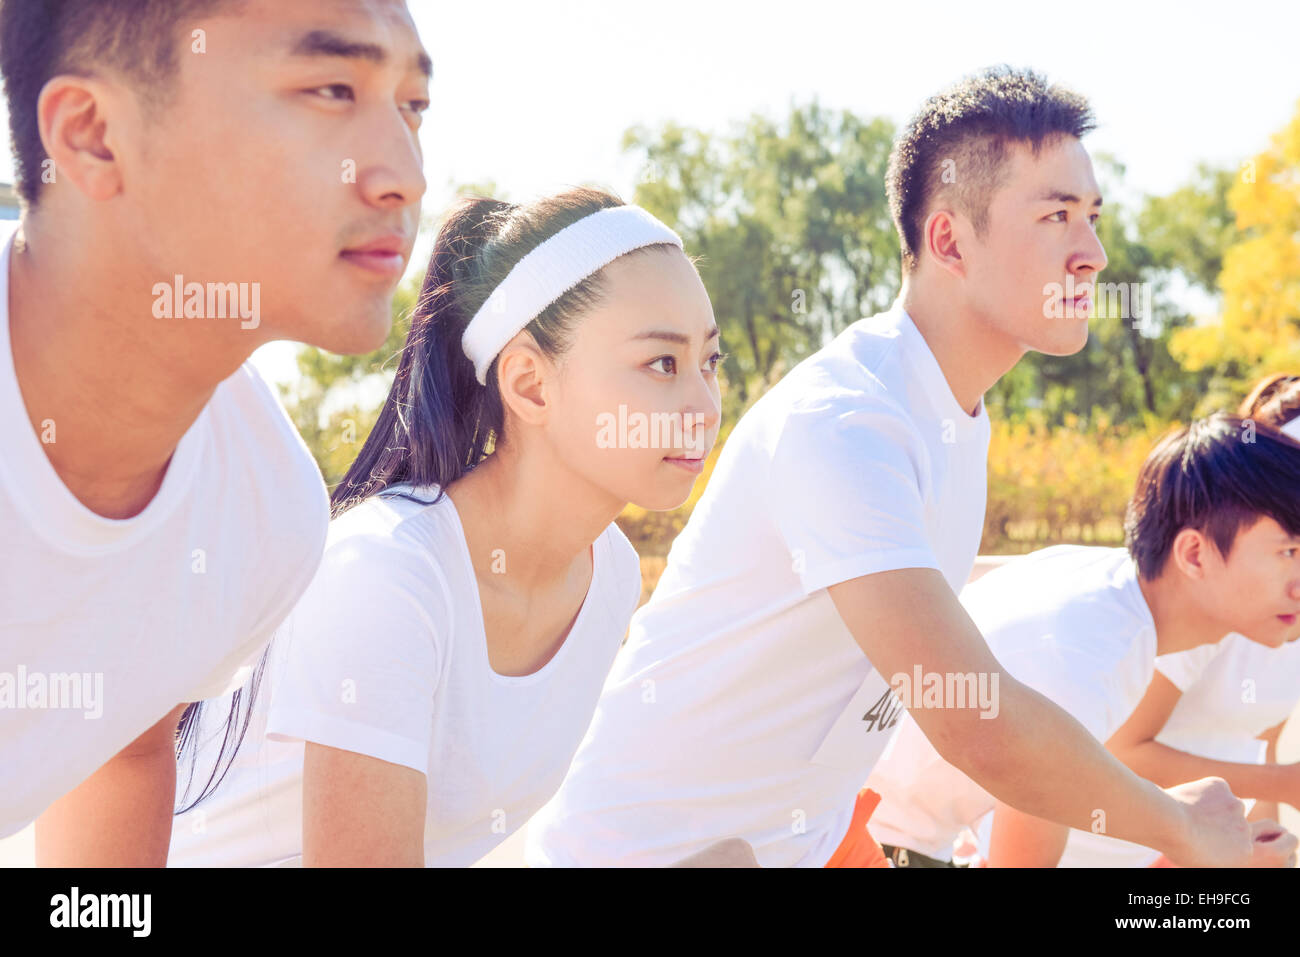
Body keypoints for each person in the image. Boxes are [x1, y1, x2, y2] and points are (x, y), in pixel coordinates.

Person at [526, 66, 1254, 869]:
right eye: (1055, 215)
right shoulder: (847, 423)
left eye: (1092, 215)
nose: (1092, 254)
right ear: (948, 240)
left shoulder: (950, 418)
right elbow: (976, 721)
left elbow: (852, 691)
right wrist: (1181, 828)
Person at [168, 188, 725, 867]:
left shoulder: (606, 573)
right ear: (530, 385)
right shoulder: (387, 575)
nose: (702, 403)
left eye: (711, 362)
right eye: (662, 363)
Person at [0, 0, 428, 865]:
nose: (404, 175)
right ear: (91, 135)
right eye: (332, 88)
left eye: (413, 106)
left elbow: (119, 743)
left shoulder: (265, 518)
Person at [865, 414, 1300, 868]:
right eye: (1288, 552)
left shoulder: (1101, 594)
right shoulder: (1091, 662)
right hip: (878, 848)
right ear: (1193, 554)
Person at [1054, 374, 1300, 867]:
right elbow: (1119, 751)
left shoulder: (1281, 606)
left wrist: (1262, 848)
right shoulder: (1212, 605)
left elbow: (1260, 749)